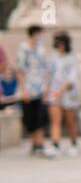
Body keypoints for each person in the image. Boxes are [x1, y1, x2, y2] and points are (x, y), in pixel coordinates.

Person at [16, 25, 56, 158]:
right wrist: (23, 90)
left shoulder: (42, 50)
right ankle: (35, 143)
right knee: (30, 117)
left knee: (40, 116)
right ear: (33, 34)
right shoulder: (23, 49)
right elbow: (20, 70)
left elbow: (47, 70)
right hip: (28, 88)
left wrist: (47, 88)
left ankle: (40, 144)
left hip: (40, 88)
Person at [48, 32, 81, 157]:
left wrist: (60, 91)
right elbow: (49, 75)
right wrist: (49, 92)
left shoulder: (71, 58)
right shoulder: (54, 57)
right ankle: (55, 145)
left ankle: (73, 143)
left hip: (68, 94)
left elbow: (71, 79)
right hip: (54, 92)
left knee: (70, 121)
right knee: (55, 120)